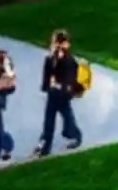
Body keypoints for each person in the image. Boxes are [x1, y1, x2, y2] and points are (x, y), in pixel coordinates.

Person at [35, 30, 83, 159]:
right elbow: (46, 75)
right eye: (57, 43)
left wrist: (69, 88)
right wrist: (46, 87)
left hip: (64, 94)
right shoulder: (50, 59)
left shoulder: (70, 61)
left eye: (62, 43)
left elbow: (73, 78)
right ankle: (46, 144)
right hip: (53, 93)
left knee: (67, 118)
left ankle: (75, 135)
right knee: (49, 119)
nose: (59, 46)